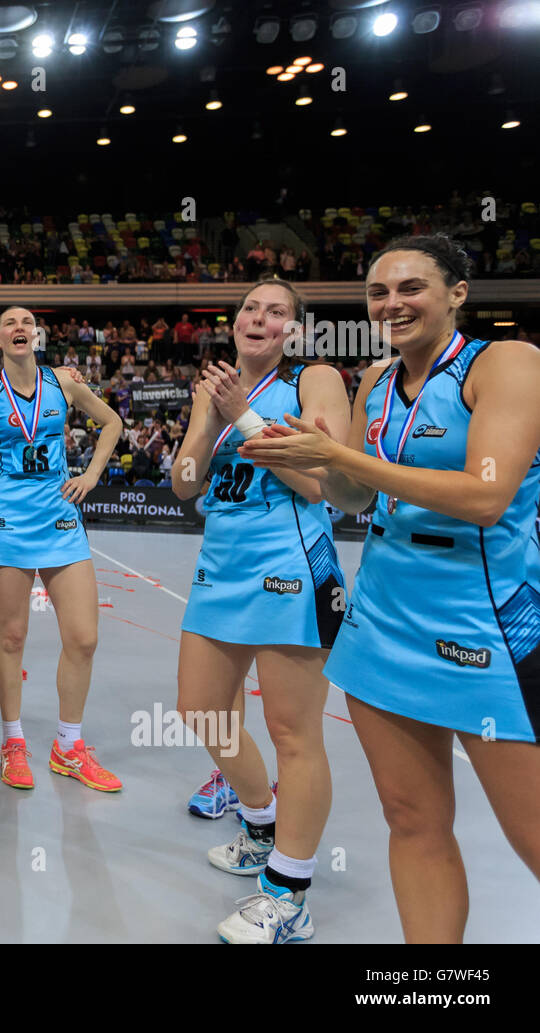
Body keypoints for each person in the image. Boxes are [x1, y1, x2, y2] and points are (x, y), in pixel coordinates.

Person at [241, 235, 540, 943]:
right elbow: (350, 495)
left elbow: (486, 495)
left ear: (457, 293)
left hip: (484, 628)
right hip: (382, 621)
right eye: (379, 292)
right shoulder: (374, 383)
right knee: (411, 821)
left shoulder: (507, 363)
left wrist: (339, 455)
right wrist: (305, 456)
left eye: (411, 287)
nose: (392, 303)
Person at [171, 277, 351, 944]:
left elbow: (326, 482)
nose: (260, 316)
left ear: (293, 331)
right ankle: (261, 821)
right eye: (251, 306)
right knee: (200, 709)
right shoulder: (210, 388)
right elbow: (186, 487)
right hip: (222, 567)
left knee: (292, 731)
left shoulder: (316, 380)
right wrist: (208, 421)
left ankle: (290, 890)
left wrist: (243, 414)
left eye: (277, 311)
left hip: (290, 569)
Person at [0, 306, 124, 792]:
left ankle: (68, 747)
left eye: (26, 323)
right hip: (9, 526)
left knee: (83, 638)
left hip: (60, 521)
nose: (18, 328)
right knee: (10, 641)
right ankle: (14, 743)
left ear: (36, 335)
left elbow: (112, 423)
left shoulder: (64, 383)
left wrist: (91, 476)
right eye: (8, 323)